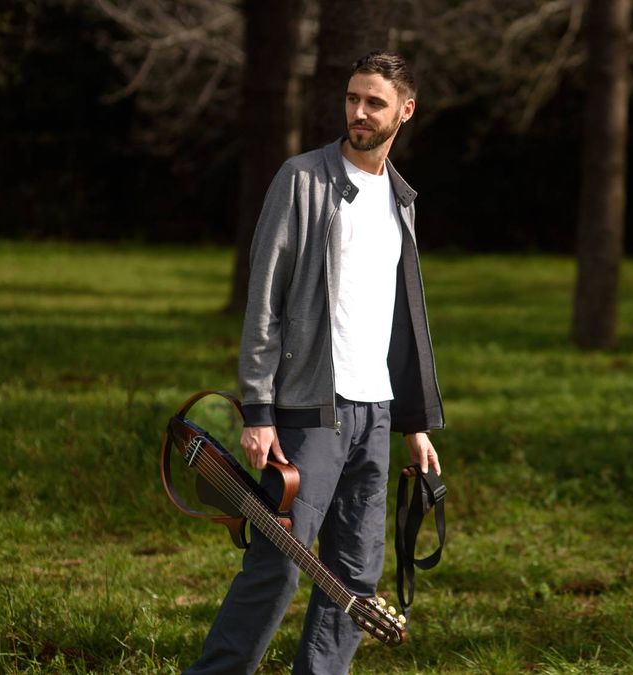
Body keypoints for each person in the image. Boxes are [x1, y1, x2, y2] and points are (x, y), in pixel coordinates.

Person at [185, 51, 444, 675]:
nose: (359, 112)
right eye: (353, 99)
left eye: (374, 102)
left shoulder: (401, 200)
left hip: (376, 414)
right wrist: (259, 408)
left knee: (354, 576)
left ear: (404, 111)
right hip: (308, 412)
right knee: (279, 563)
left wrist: (414, 423)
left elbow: (402, 323)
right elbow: (263, 301)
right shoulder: (301, 180)